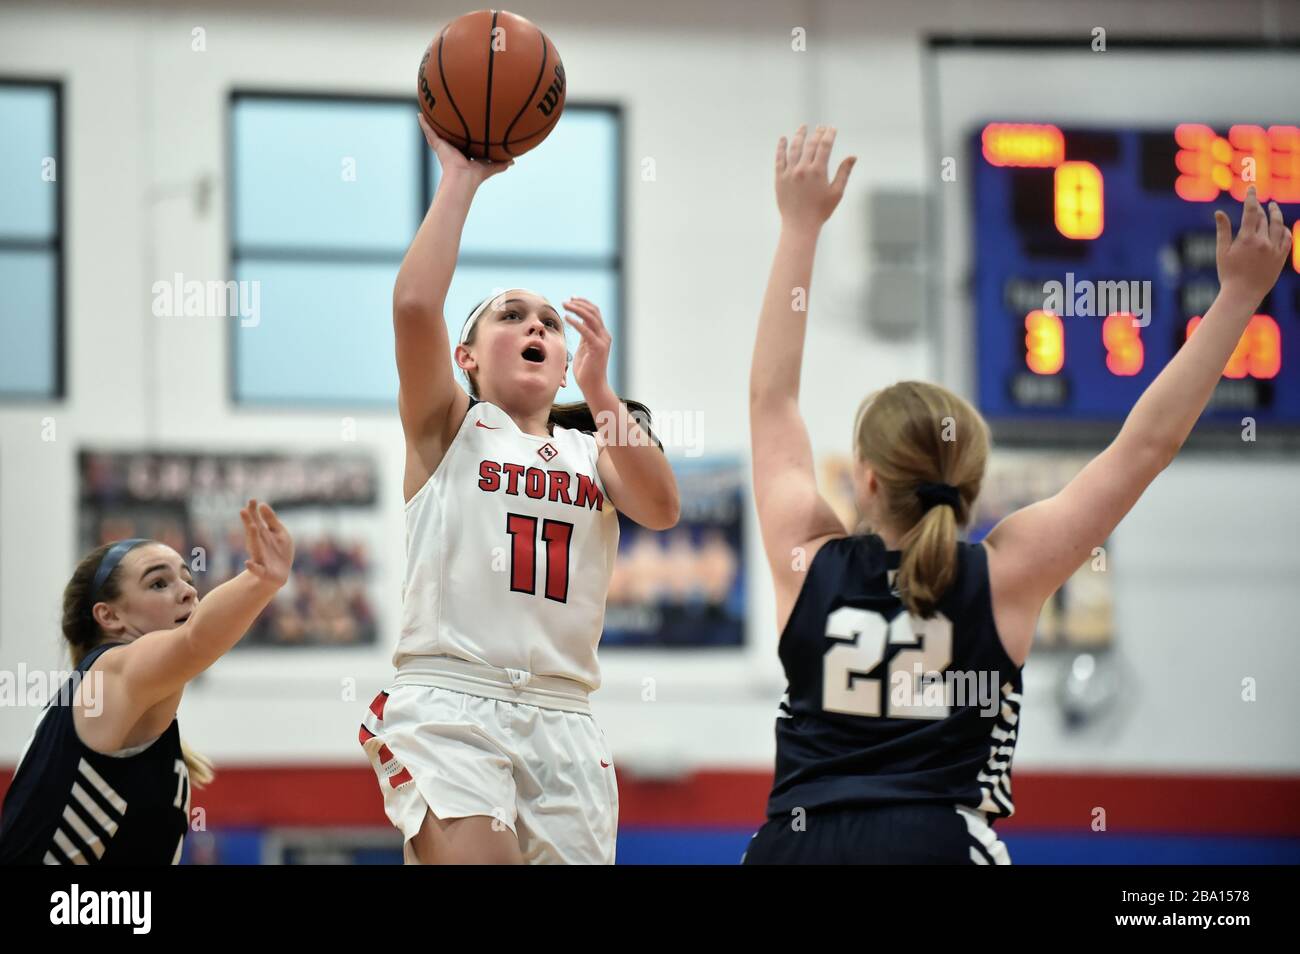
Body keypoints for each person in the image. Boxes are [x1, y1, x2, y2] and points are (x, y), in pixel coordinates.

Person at [743, 124, 1292, 864]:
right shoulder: (1007, 574)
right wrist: (1239, 299)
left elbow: (771, 400)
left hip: (796, 847)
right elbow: (1146, 447)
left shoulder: (807, 561)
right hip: (935, 841)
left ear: (866, 479)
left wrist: (799, 227)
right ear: (973, 485)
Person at [359, 115, 680, 865]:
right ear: (467, 356)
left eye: (549, 322)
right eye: (512, 315)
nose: (537, 324)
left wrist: (603, 393)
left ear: (566, 363)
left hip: (565, 714)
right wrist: (460, 181)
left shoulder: (593, 447)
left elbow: (662, 508)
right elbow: (413, 308)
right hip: (450, 702)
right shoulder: (449, 427)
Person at [0, 500, 293, 864]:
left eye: (188, 578)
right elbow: (196, 641)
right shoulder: (107, 674)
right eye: (158, 583)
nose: (188, 592)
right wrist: (262, 579)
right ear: (109, 616)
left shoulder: (151, 725)